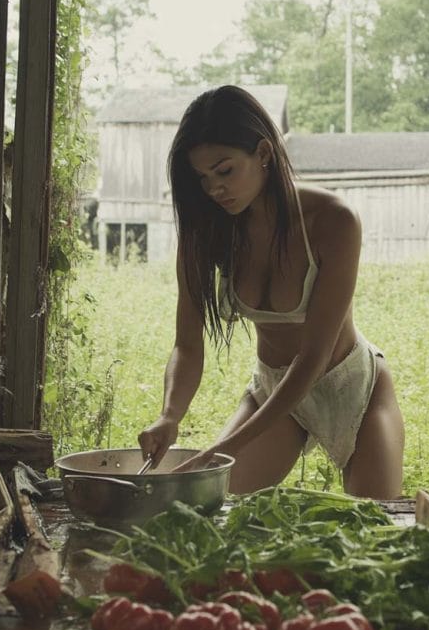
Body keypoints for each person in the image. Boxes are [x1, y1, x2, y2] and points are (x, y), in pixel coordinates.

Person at [138, 85, 404, 499]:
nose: (214, 190)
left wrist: (224, 446)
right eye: (202, 178)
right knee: (213, 507)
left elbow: (314, 357)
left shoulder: (333, 221)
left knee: (375, 526)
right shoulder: (204, 232)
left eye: (224, 171)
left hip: (349, 385)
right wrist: (169, 415)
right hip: (273, 388)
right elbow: (187, 346)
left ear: (263, 153)